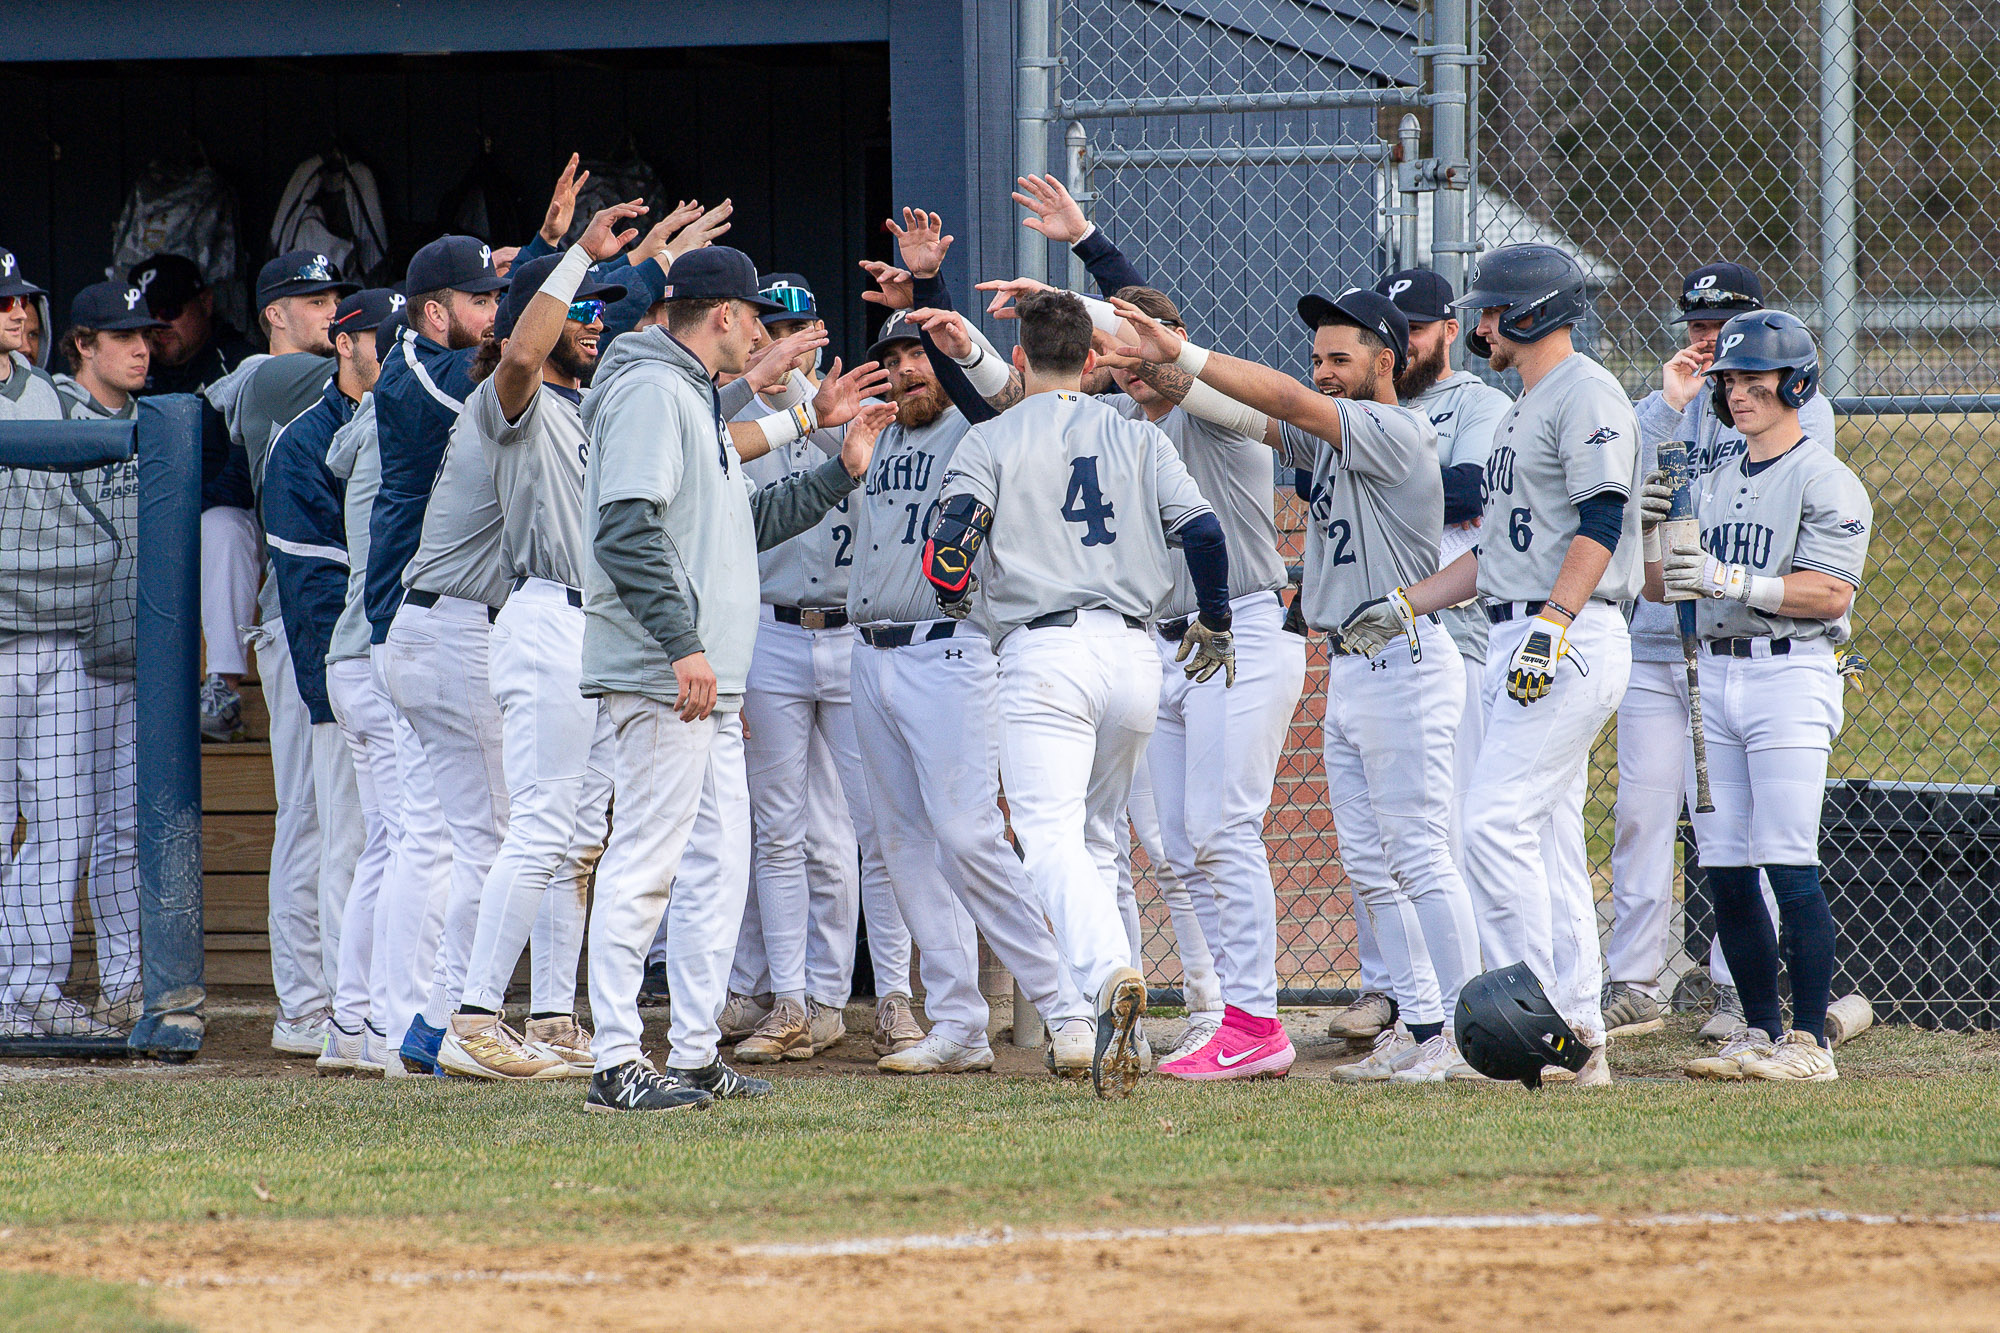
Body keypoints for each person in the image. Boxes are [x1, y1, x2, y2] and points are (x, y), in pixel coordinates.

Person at [1110, 288, 1481, 1084]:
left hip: (1405, 663)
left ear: (1386, 362)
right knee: (1372, 865)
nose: (1323, 372)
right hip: (1349, 663)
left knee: (1418, 856)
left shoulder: (1394, 428)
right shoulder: (1334, 441)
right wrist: (1141, 346)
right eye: (1316, 359)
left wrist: (1181, 350)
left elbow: (1279, 400)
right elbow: (1230, 405)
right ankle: (1421, 1027)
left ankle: (1463, 1028)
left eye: (1340, 358)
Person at [578, 245, 892, 1113]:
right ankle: (614, 1058)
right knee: (646, 860)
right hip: (663, 670)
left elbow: (741, 520)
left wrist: (839, 471)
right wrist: (684, 644)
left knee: (718, 868)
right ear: (722, 313)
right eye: (753, 315)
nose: (758, 332)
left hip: (710, 679)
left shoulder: (688, 393)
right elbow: (624, 529)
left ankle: (691, 1052)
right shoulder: (650, 386)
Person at [1338, 244, 1641, 1087]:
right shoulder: (1523, 406)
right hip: (1523, 625)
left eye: (1495, 312)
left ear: (1536, 311)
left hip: (1564, 631)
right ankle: (1576, 1026)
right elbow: (1497, 554)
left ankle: (1530, 1026)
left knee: (1490, 823)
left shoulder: (1585, 391)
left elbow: (1603, 518)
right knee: (1544, 836)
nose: (1482, 327)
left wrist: (1555, 621)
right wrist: (1407, 603)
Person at [926, 288, 1234, 1099]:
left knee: (1048, 835)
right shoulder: (1137, 434)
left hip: (1045, 654)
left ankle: (1105, 974)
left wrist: (959, 589)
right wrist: (1216, 618)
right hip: (1133, 655)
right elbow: (1204, 532)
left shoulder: (992, 436)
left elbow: (948, 550)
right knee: (1098, 841)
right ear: (1092, 359)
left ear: (1019, 358)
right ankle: (1108, 1020)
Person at [837, 217, 1090, 1081]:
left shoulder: (981, 429)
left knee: (968, 835)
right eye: (895, 356)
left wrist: (931, 297)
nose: (908, 369)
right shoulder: (877, 434)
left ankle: (1067, 1008)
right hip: (870, 655)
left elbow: (984, 387)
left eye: (919, 354)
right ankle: (957, 1021)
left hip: (950, 651)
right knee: (902, 843)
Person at [429, 209, 646, 1082]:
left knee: (581, 836)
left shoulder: (588, 409)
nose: (593, 322)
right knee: (542, 825)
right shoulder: (509, 396)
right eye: (579, 308)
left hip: (596, 627)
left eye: (598, 309)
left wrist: (795, 417)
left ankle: (553, 1016)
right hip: (546, 615)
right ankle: (474, 1018)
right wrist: (577, 253)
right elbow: (519, 354)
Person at [1607, 262, 1834, 1042]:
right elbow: (1641, 518)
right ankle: (1642, 983)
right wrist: (1667, 412)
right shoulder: (1675, 407)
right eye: (1699, 327)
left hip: (1757, 644)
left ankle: (1754, 999)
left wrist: (1723, 572)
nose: (1709, 343)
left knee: (1763, 841)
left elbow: (1785, 511)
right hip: (1669, 643)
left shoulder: (1794, 418)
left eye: (1724, 327)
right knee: (1662, 823)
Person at [1645, 312, 1872, 1082]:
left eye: (1754, 379)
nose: (1738, 393)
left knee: (1786, 856)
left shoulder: (1825, 477)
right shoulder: (1711, 481)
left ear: (1795, 383)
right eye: (1731, 382)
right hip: (1714, 672)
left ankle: (1809, 1041)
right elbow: (1661, 587)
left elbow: (1831, 592)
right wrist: (1650, 532)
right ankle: (1758, 1029)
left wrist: (1732, 579)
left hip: (1789, 671)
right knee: (1726, 864)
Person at [726, 272, 922, 1064]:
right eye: (770, 329)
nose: (782, 344)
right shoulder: (734, 417)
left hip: (853, 633)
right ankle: (792, 1001)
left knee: (878, 827)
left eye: (796, 331)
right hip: (771, 629)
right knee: (778, 828)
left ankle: (893, 998)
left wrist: (822, 410)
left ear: (818, 338)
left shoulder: (857, 404)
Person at [206, 250, 357, 1058]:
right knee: (309, 814)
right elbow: (396, 359)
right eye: (316, 299)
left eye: (336, 297)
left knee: (345, 818)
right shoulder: (271, 376)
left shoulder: (310, 378)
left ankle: (341, 996)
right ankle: (303, 1004)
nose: (333, 310)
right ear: (275, 312)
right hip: (295, 622)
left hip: (336, 624)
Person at [363, 233, 506, 1073]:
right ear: (431, 311)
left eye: (495, 297)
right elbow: (513, 365)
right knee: (448, 838)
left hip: (431, 626)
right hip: (427, 622)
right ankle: (423, 1022)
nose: (492, 313)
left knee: (433, 836)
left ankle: (408, 1026)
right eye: (478, 300)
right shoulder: (415, 367)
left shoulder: (438, 358)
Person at [261, 287, 401, 1073]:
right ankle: (312, 1005)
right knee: (323, 829)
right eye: (381, 337)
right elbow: (310, 586)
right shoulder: (304, 439)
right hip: (324, 657)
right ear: (345, 344)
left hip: (386, 661)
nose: (394, 349)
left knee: (376, 837)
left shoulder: (407, 415)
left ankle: (365, 1005)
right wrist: (330, 696)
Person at [0, 248, 119, 1036]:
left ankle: (33, 986)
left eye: (22, 302)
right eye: (2, 303)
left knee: (63, 822)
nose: (19, 314)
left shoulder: (44, 390)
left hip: (55, 640)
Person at [51, 281, 167, 1030]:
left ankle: (124, 984)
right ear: (82, 345)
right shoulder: (54, 411)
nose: (141, 348)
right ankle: (31, 986)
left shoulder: (156, 420)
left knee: (123, 831)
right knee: (60, 829)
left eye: (145, 335)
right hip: (65, 657)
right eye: (122, 336)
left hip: (139, 659)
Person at [321, 309, 422, 1075]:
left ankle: (350, 1021)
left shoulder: (364, 420)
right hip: (377, 654)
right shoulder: (395, 422)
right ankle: (385, 1024)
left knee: (387, 844)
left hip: (351, 659)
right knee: (409, 843)